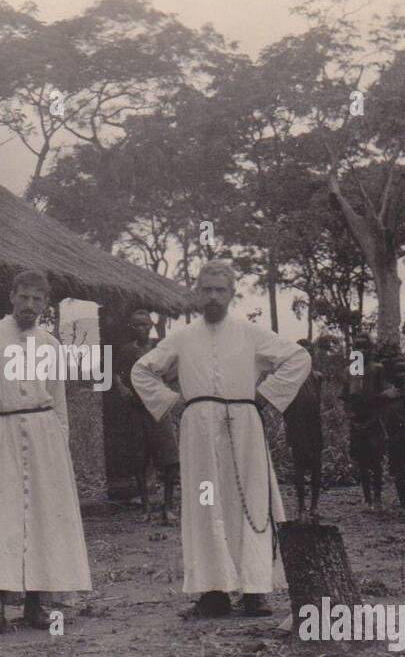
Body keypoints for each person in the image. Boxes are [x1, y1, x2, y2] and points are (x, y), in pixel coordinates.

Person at [131, 261, 311, 617]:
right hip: (199, 430)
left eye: (220, 290)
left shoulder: (250, 333)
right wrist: (174, 400)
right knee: (205, 502)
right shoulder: (182, 337)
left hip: (244, 426)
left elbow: (298, 357)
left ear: (231, 294)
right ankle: (212, 593)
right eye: (207, 289)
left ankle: (255, 589)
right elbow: (142, 370)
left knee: (251, 500)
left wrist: (267, 394)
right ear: (197, 293)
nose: (213, 297)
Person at [0, 269, 92, 639]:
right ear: (12, 296)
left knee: (44, 517)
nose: (30, 305)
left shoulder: (49, 343)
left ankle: (35, 605)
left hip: (45, 434)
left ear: (45, 304)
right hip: (4, 432)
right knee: (3, 516)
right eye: (24, 296)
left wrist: (58, 441)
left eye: (38, 299)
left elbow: (58, 399)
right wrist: (1, 411)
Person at [113, 309, 180, 523]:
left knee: (169, 460)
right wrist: (121, 387)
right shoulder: (125, 351)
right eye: (136, 325)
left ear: (150, 325)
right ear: (131, 328)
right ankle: (145, 508)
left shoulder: (161, 347)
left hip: (159, 411)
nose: (140, 328)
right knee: (139, 459)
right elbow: (114, 373)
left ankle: (168, 508)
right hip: (136, 410)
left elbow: (175, 371)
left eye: (144, 324)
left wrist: (167, 391)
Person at [280, 339, 323, 521]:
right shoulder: (290, 377)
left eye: (310, 353)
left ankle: (314, 506)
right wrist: (290, 430)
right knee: (299, 466)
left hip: (314, 425)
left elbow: (317, 401)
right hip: (297, 425)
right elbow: (285, 404)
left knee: (316, 466)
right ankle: (301, 508)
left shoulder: (316, 376)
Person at [342, 333, 386, 510]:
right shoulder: (350, 371)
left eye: (364, 346)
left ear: (371, 348)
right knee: (362, 462)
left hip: (374, 421)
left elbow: (384, 398)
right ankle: (367, 498)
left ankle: (377, 498)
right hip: (357, 422)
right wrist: (352, 419)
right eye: (357, 347)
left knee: (376, 462)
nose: (361, 350)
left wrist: (374, 419)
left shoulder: (377, 369)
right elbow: (346, 399)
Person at [379, 356, 405, 512]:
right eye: (399, 371)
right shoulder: (386, 396)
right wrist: (387, 435)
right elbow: (382, 416)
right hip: (394, 438)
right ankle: (403, 502)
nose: (403, 375)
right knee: (399, 471)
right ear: (392, 374)